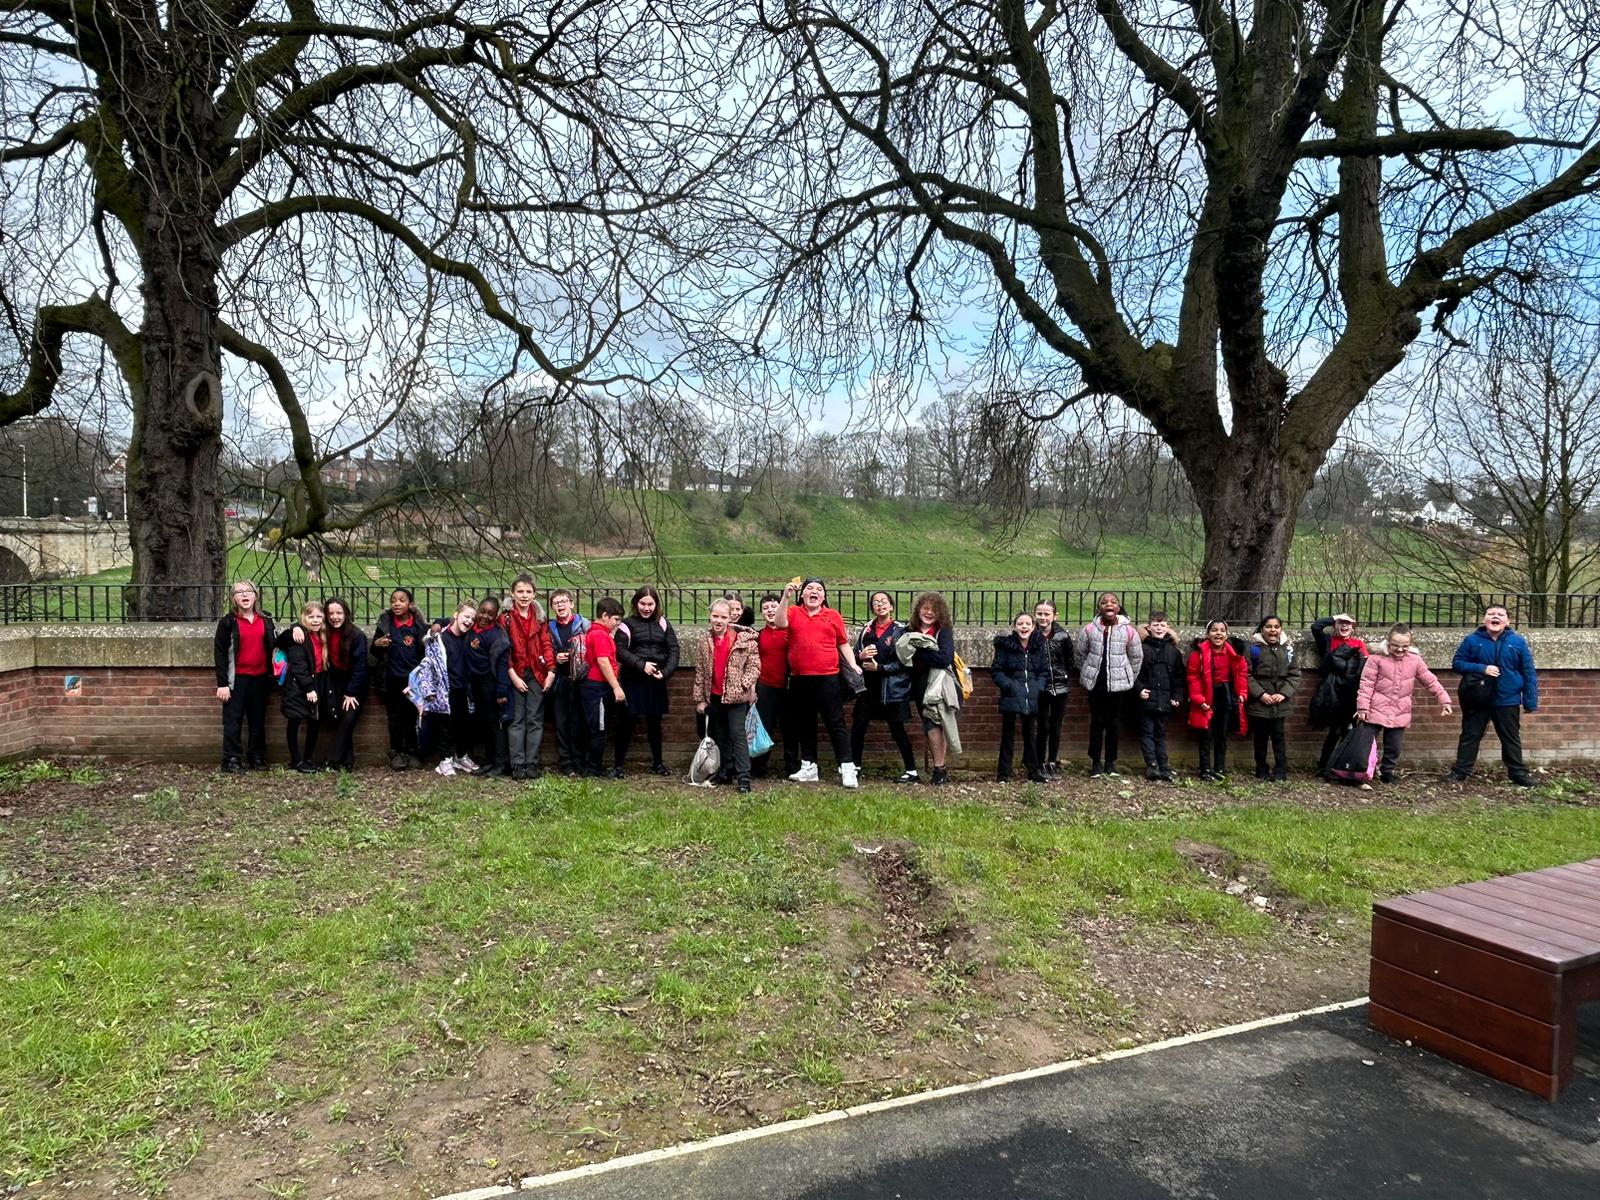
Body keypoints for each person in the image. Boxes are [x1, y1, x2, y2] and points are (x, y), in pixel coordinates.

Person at [775, 577, 861, 787]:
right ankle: (809, 766)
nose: (814, 592)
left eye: (819, 589)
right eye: (810, 589)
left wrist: (853, 664)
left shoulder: (832, 616)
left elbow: (843, 644)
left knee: (835, 723)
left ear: (824, 596)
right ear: (802, 594)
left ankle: (847, 768)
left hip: (828, 678)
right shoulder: (793, 612)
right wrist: (785, 598)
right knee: (805, 723)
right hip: (800, 678)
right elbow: (779, 623)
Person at [1448, 605, 1538, 786]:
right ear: (1484, 619)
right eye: (1491, 614)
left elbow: (1528, 671)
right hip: (1478, 698)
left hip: (1507, 699)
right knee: (1470, 736)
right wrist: (1482, 668)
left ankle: (1518, 773)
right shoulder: (1472, 640)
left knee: (1511, 737)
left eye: (1500, 614)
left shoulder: (1517, 642)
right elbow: (1457, 663)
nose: (1495, 617)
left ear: (1507, 621)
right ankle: (1461, 772)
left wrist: (1530, 700)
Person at [1355, 624, 1453, 784]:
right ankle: (1362, 772)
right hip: (1375, 707)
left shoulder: (1415, 660)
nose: (1400, 650)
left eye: (1405, 646)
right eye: (1395, 645)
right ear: (1388, 642)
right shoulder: (1376, 659)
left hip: (1400, 710)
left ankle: (1387, 772)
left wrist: (1444, 699)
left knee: (1394, 746)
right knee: (1365, 743)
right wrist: (1363, 707)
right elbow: (1366, 684)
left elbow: (1430, 680)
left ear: (1411, 645)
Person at [692, 599, 762, 793]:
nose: (719, 621)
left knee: (737, 735)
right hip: (714, 696)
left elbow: (754, 665)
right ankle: (725, 771)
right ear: (710, 616)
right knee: (721, 736)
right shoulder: (705, 641)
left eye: (723, 617)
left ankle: (743, 777)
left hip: (736, 697)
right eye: (715, 616)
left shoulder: (744, 639)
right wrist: (700, 698)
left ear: (731, 617)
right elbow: (700, 671)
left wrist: (743, 684)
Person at [851, 591, 919, 782]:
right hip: (868, 689)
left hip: (891, 690)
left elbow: (905, 663)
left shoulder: (900, 631)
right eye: (875, 602)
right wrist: (861, 656)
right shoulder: (866, 630)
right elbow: (855, 654)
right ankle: (854, 766)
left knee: (897, 730)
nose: (879, 605)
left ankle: (911, 770)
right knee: (858, 726)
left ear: (891, 606)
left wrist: (879, 667)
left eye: (883, 602)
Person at [1075, 592, 1143, 777]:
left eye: (1113, 602)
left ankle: (1111, 763)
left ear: (1118, 608)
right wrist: (1088, 672)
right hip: (1096, 684)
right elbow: (1080, 655)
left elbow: (1136, 657)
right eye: (1104, 602)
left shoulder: (1129, 631)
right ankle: (1095, 762)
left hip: (1118, 686)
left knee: (1114, 723)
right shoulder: (1089, 629)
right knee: (1097, 723)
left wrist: (1128, 677)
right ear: (1100, 608)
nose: (1109, 605)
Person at [617, 585, 680, 776]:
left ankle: (658, 763)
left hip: (656, 678)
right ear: (636, 603)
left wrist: (666, 672)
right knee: (627, 722)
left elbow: (674, 650)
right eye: (642, 603)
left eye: (650, 604)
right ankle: (619, 765)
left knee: (654, 723)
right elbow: (619, 650)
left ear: (656, 604)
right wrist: (641, 665)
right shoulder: (626, 625)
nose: (646, 608)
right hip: (633, 678)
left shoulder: (663, 623)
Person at [214, 579, 277, 773]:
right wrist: (222, 684)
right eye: (239, 592)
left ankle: (257, 757)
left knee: (258, 720)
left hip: (260, 678)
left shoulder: (265, 619)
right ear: (233, 598)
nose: (244, 595)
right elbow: (220, 654)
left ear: (255, 595)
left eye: (248, 591)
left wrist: (296, 628)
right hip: (236, 679)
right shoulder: (227, 622)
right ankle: (231, 759)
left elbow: (277, 643)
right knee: (233, 721)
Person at [503, 573, 556, 781]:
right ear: (512, 593)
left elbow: (546, 644)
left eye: (528, 592)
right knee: (517, 721)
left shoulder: (540, 617)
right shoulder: (505, 618)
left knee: (535, 719)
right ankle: (517, 764)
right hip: (516, 672)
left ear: (534, 594)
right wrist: (513, 676)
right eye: (520, 591)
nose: (524, 596)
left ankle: (532, 764)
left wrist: (551, 670)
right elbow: (503, 651)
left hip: (536, 672)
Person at [372, 588, 431, 770]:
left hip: (412, 682)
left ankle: (412, 751)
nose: (397, 603)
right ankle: (396, 752)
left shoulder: (419, 628)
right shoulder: (385, 625)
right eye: (393, 600)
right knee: (395, 717)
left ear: (410, 604)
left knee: (412, 716)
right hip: (391, 679)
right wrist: (377, 644)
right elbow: (373, 650)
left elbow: (426, 654)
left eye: (402, 600)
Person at [1186, 620, 1248, 781]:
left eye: (1222, 631)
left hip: (1226, 695)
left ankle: (1219, 767)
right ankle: (1205, 768)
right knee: (1206, 734)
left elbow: (1241, 674)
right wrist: (1199, 699)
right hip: (1207, 695)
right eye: (1214, 630)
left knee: (1222, 734)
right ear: (1208, 634)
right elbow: (1193, 678)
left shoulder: (1235, 653)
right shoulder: (1197, 655)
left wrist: (1241, 693)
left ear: (1226, 634)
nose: (1218, 634)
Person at [991, 611, 1048, 783]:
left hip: (1030, 695)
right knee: (1007, 734)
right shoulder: (1005, 646)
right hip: (1011, 694)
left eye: (1028, 624)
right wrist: (1010, 686)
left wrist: (1037, 687)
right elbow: (997, 670)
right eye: (1020, 624)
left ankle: (1033, 769)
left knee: (1030, 734)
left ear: (1033, 626)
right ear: (1015, 627)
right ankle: (1003, 773)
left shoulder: (1038, 647)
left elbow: (1043, 672)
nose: (1024, 627)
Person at [1310, 612, 1369, 777]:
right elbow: (1316, 627)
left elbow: (1365, 667)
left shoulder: (1358, 644)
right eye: (1341, 623)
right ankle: (1323, 767)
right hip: (1331, 692)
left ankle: (1343, 767)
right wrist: (1335, 617)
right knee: (1334, 732)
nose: (1344, 626)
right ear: (1335, 625)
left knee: (1347, 731)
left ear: (1353, 627)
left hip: (1350, 692)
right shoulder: (1328, 642)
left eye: (1348, 624)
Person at [906, 591, 956, 785]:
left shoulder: (943, 630)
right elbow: (904, 657)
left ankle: (939, 768)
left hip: (938, 682)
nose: (928, 613)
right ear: (918, 610)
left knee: (935, 723)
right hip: (918, 684)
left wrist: (920, 655)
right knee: (927, 723)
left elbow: (945, 658)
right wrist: (926, 655)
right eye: (925, 608)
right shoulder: (909, 629)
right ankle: (936, 767)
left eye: (933, 610)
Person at [1247, 615, 1301, 782]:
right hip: (1259, 702)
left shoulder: (1288, 650)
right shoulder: (1253, 650)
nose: (1273, 630)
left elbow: (1294, 675)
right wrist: (1260, 694)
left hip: (1280, 702)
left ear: (1280, 629)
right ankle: (1261, 768)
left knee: (1279, 737)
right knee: (1260, 738)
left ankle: (1280, 770)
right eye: (1269, 627)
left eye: (1276, 626)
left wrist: (1283, 693)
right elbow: (1246, 674)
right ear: (1262, 629)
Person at [278, 600, 329, 773]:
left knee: (314, 722)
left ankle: (308, 758)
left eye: (319, 616)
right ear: (304, 618)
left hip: (317, 683)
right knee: (295, 721)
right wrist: (308, 688)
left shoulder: (322, 636)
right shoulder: (298, 636)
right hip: (298, 686)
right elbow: (298, 665)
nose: (315, 620)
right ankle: (296, 760)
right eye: (311, 616)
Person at [753, 593, 799, 779]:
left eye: (774, 607)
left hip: (789, 686)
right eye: (766, 608)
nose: (770, 611)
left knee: (790, 729)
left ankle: (792, 767)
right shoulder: (759, 635)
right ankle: (758, 767)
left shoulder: (790, 632)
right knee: (764, 728)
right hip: (766, 687)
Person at [465, 596, 512, 776]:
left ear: (496, 616)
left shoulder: (497, 636)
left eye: (490, 614)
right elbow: (453, 620)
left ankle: (500, 764)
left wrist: (501, 692)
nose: (485, 616)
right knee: (484, 724)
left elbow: (502, 666)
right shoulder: (472, 629)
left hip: (491, 685)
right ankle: (489, 761)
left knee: (496, 726)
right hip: (475, 685)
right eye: (482, 611)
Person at [546, 589, 591, 776]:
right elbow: (545, 650)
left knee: (579, 721)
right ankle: (566, 762)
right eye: (556, 603)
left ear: (571, 603)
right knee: (562, 722)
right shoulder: (549, 628)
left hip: (581, 679)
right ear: (552, 607)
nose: (561, 605)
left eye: (564, 601)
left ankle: (580, 761)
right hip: (561, 680)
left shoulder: (585, 625)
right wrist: (556, 657)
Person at [433, 601, 482, 776]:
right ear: (456, 615)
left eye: (472, 619)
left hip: (466, 688)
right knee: (447, 726)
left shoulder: (470, 638)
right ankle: (444, 760)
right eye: (466, 616)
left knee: (465, 725)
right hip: (447, 690)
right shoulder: (441, 638)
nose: (469, 621)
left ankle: (460, 756)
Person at [1134, 611, 1184, 780]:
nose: (1159, 628)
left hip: (1164, 700)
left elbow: (1178, 677)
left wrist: (1177, 696)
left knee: (1160, 734)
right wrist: (1139, 689)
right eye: (1155, 625)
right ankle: (1152, 765)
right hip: (1146, 700)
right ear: (1149, 627)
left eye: (1162, 625)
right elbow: (1133, 673)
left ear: (1167, 627)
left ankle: (1164, 765)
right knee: (1147, 733)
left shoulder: (1173, 652)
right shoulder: (1142, 649)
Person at [581, 597, 627, 777]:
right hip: (597, 687)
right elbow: (603, 661)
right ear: (605, 616)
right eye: (616, 619)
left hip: (596, 686)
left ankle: (594, 766)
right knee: (599, 729)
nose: (618, 623)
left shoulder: (597, 632)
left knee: (599, 727)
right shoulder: (599, 635)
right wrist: (616, 687)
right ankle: (594, 768)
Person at [321, 597, 368, 771]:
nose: (335, 617)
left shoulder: (356, 635)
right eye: (331, 613)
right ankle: (347, 762)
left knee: (348, 720)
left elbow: (361, 667)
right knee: (340, 720)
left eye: (339, 613)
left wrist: (351, 692)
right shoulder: (324, 632)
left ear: (346, 614)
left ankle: (331, 760)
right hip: (334, 683)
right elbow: (306, 620)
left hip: (354, 685)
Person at [1033, 599, 1072, 778]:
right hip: (1041, 687)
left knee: (1056, 726)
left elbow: (1069, 660)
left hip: (1060, 686)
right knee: (1043, 726)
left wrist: (1063, 676)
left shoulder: (1062, 636)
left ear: (1054, 616)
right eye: (1039, 613)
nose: (1043, 617)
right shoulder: (1032, 635)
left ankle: (1052, 761)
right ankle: (1039, 761)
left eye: (1046, 614)